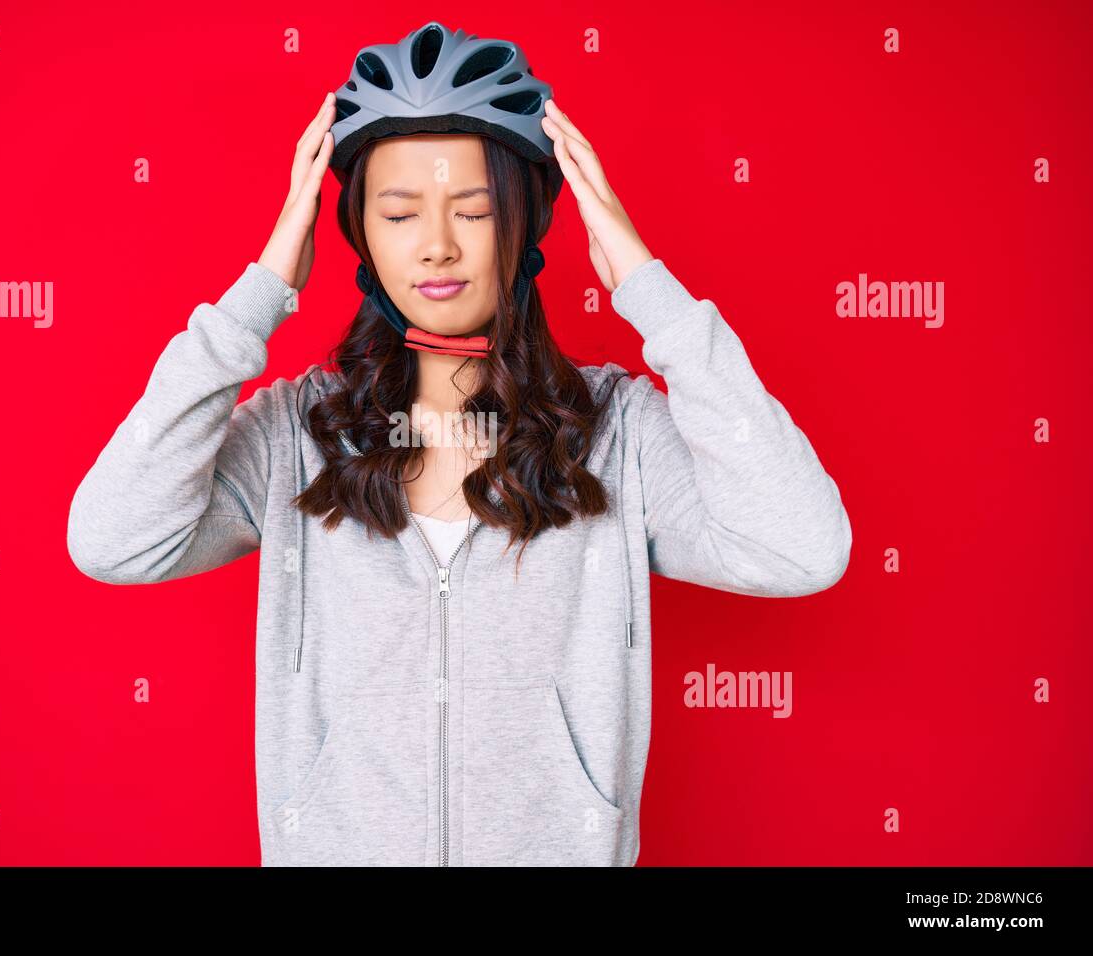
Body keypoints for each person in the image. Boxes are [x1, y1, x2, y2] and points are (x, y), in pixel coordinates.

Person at [66, 21, 852, 866]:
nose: (436, 244)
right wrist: (256, 299)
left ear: (526, 226)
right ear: (358, 234)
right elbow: (113, 541)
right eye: (399, 212)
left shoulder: (616, 432)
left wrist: (651, 293)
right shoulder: (298, 433)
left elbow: (801, 549)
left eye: (473, 210)